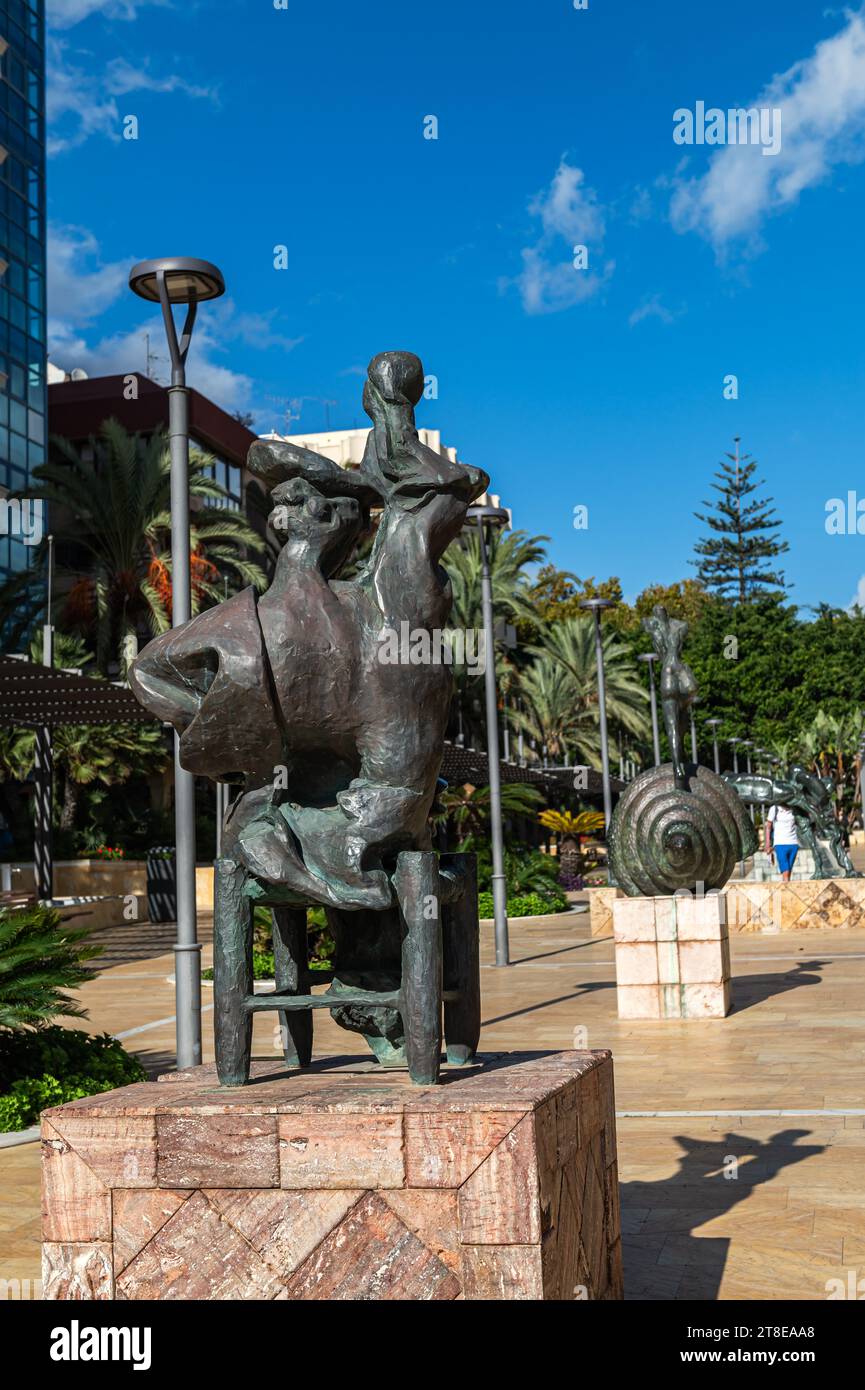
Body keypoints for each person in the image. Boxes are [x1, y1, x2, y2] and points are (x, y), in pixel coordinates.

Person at [765, 803, 799, 881]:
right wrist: (767, 843)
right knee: (786, 871)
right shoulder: (774, 808)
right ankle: (786, 891)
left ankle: (785, 890)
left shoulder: (795, 808)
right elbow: (768, 826)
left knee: (788, 871)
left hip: (793, 843)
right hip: (780, 844)